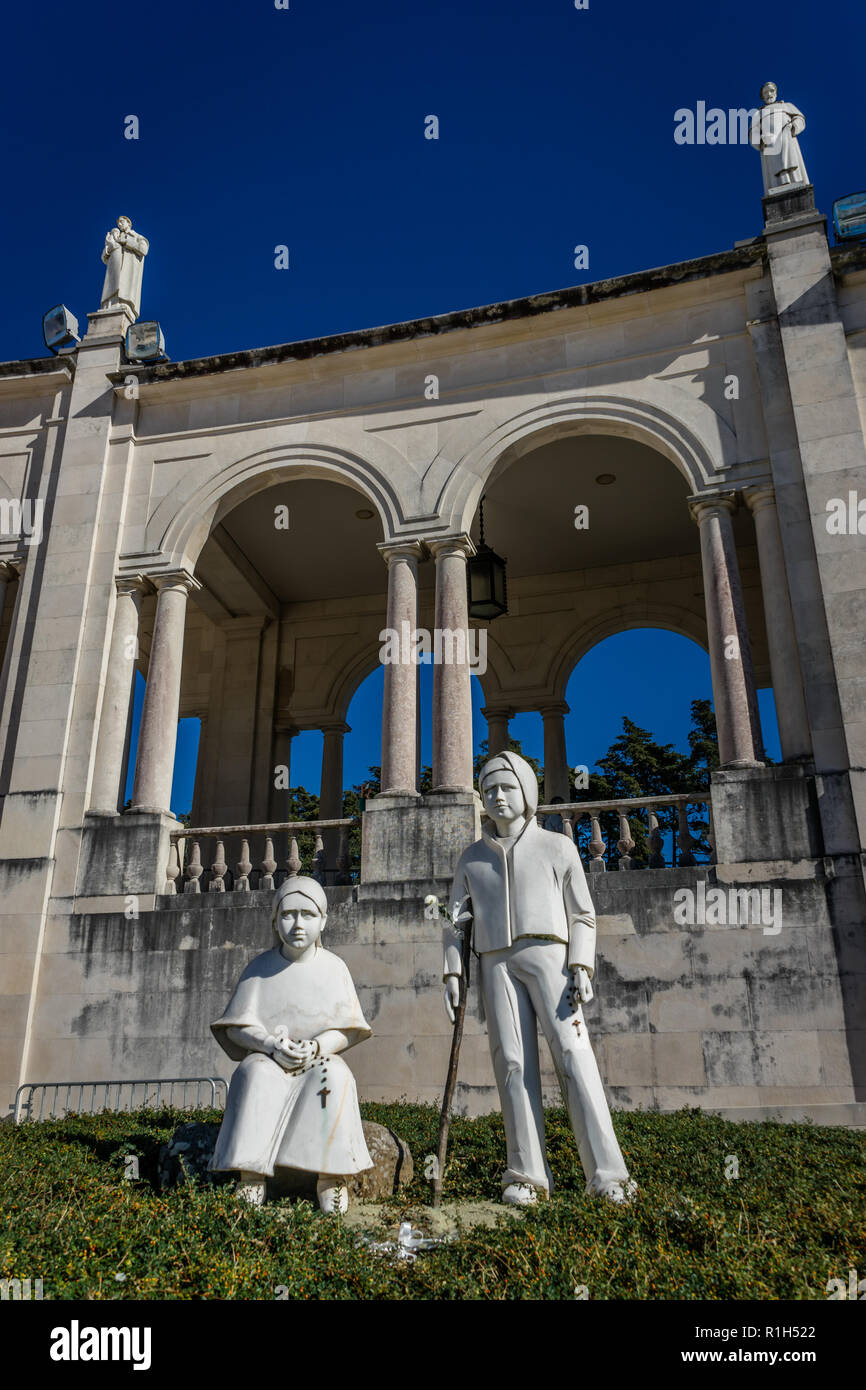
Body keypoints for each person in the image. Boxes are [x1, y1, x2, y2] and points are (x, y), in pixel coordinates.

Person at [443, 751, 636, 1207]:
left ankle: (608, 1174)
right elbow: (454, 922)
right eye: (489, 790)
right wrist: (452, 970)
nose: (497, 797)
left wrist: (582, 965)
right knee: (512, 1064)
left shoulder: (557, 846)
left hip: (551, 957)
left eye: (506, 787)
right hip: (495, 962)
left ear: (527, 792)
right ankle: (527, 1174)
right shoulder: (471, 858)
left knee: (573, 1055)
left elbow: (583, 915)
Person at [211, 875, 372, 1213]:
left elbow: (348, 1028)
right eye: (288, 914)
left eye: (308, 914)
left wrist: (315, 1048)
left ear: (323, 920)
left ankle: (331, 1177)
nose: (298, 924)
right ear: (275, 920)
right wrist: (270, 1045)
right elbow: (238, 1027)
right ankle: (251, 1174)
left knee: (335, 1076)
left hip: (316, 1059)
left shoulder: (334, 969)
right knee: (253, 1073)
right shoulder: (259, 968)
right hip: (270, 1059)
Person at [749, 82, 808, 197]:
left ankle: (796, 181)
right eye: (765, 92)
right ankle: (779, 186)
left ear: (775, 93)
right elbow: (753, 132)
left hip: (787, 137)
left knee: (792, 161)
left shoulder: (787, 106)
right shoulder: (758, 114)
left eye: (771, 91)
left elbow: (799, 118)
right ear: (762, 97)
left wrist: (794, 126)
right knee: (776, 168)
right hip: (770, 143)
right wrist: (760, 139)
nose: (769, 94)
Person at [100, 215, 149, 318]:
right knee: (110, 297)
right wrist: (109, 248)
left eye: (122, 222)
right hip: (114, 274)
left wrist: (126, 242)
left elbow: (143, 250)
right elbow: (104, 258)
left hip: (129, 272)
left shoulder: (136, 236)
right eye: (118, 223)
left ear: (128, 223)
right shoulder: (114, 236)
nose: (120, 224)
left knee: (125, 294)